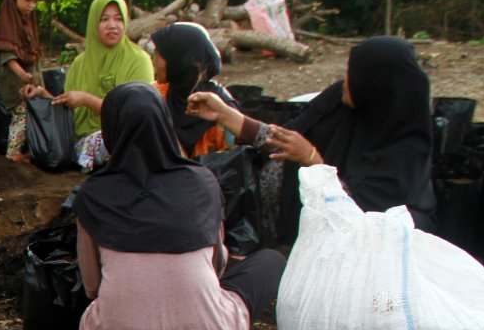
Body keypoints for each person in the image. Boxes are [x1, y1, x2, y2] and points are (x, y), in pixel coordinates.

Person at [73, 82, 286, 330]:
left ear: (111, 129)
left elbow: (91, 286)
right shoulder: (202, 183)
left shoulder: (92, 195)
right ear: (165, 125)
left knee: (102, 308)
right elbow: (217, 265)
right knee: (271, 260)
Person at [187, 35, 437, 244]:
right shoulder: (339, 102)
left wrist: (313, 160)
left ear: (375, 85)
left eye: (354, 73)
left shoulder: (406, 148)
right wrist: (223, 113)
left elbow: (363, 218)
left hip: (365, 251)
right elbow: (284, 138)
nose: (346, 79)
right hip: (302, 229)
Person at [30, 0, 152, 169]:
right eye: (104, 19)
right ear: (93, 23)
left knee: (128, 139)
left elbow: (135, 115)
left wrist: (87, 100)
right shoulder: (81, 62)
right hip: (81, 142)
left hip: (121, 137)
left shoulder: (139, 60)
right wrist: (43, 94)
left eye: (118, 19)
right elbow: (68, 108)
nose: (112, 25)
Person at [150, 22, 236, 159]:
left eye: (159, 55)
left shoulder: (219, 107)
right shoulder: (156, 95)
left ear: (179, 61)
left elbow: (230, 164)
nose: (154, 62)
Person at [0, 0, 47, 158]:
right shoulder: (8, 24)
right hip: (16, 82)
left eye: (35, 1)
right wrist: (24, 76)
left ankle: (29, 151)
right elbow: (8, 58)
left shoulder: (27, 22)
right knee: (21, 114)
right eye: (27, 0)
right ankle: (13, 153)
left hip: (29, 80)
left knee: (33, 113)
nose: (32, 5)